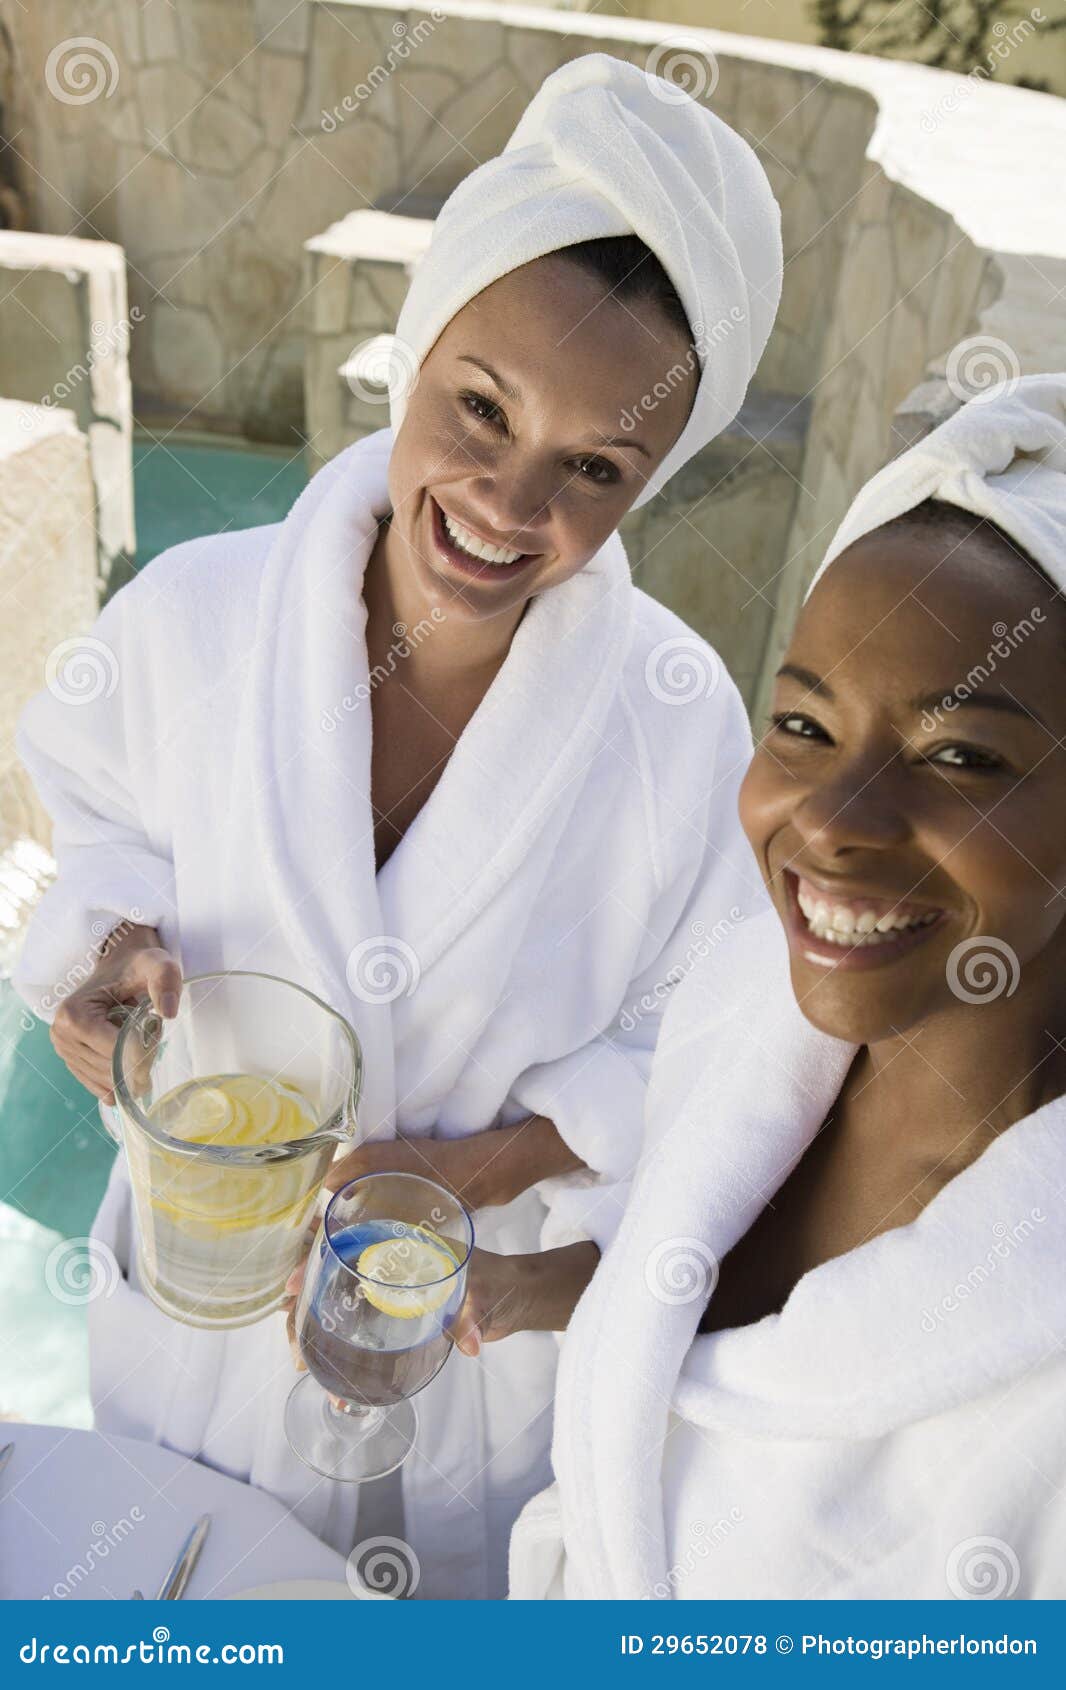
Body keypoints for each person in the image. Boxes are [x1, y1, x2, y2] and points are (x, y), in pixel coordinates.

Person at [12, 54, 782, 1599]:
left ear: (652, 479)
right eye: (479, 406)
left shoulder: (676, 726)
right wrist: (104, 953)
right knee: (158, 1606)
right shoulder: (195, 618)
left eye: (593, 467)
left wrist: (473, 1167)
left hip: (449, 1369)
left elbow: (697, 1044)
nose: (505, 501)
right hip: (194, 1313)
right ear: (416, 349)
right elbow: (94, 818)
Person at [509, 373, 1066, 1600]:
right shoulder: (749, 1001)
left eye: (961, 755)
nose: (832, 820)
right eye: (805, 727)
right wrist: (524, 1285)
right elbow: (677, 1279)